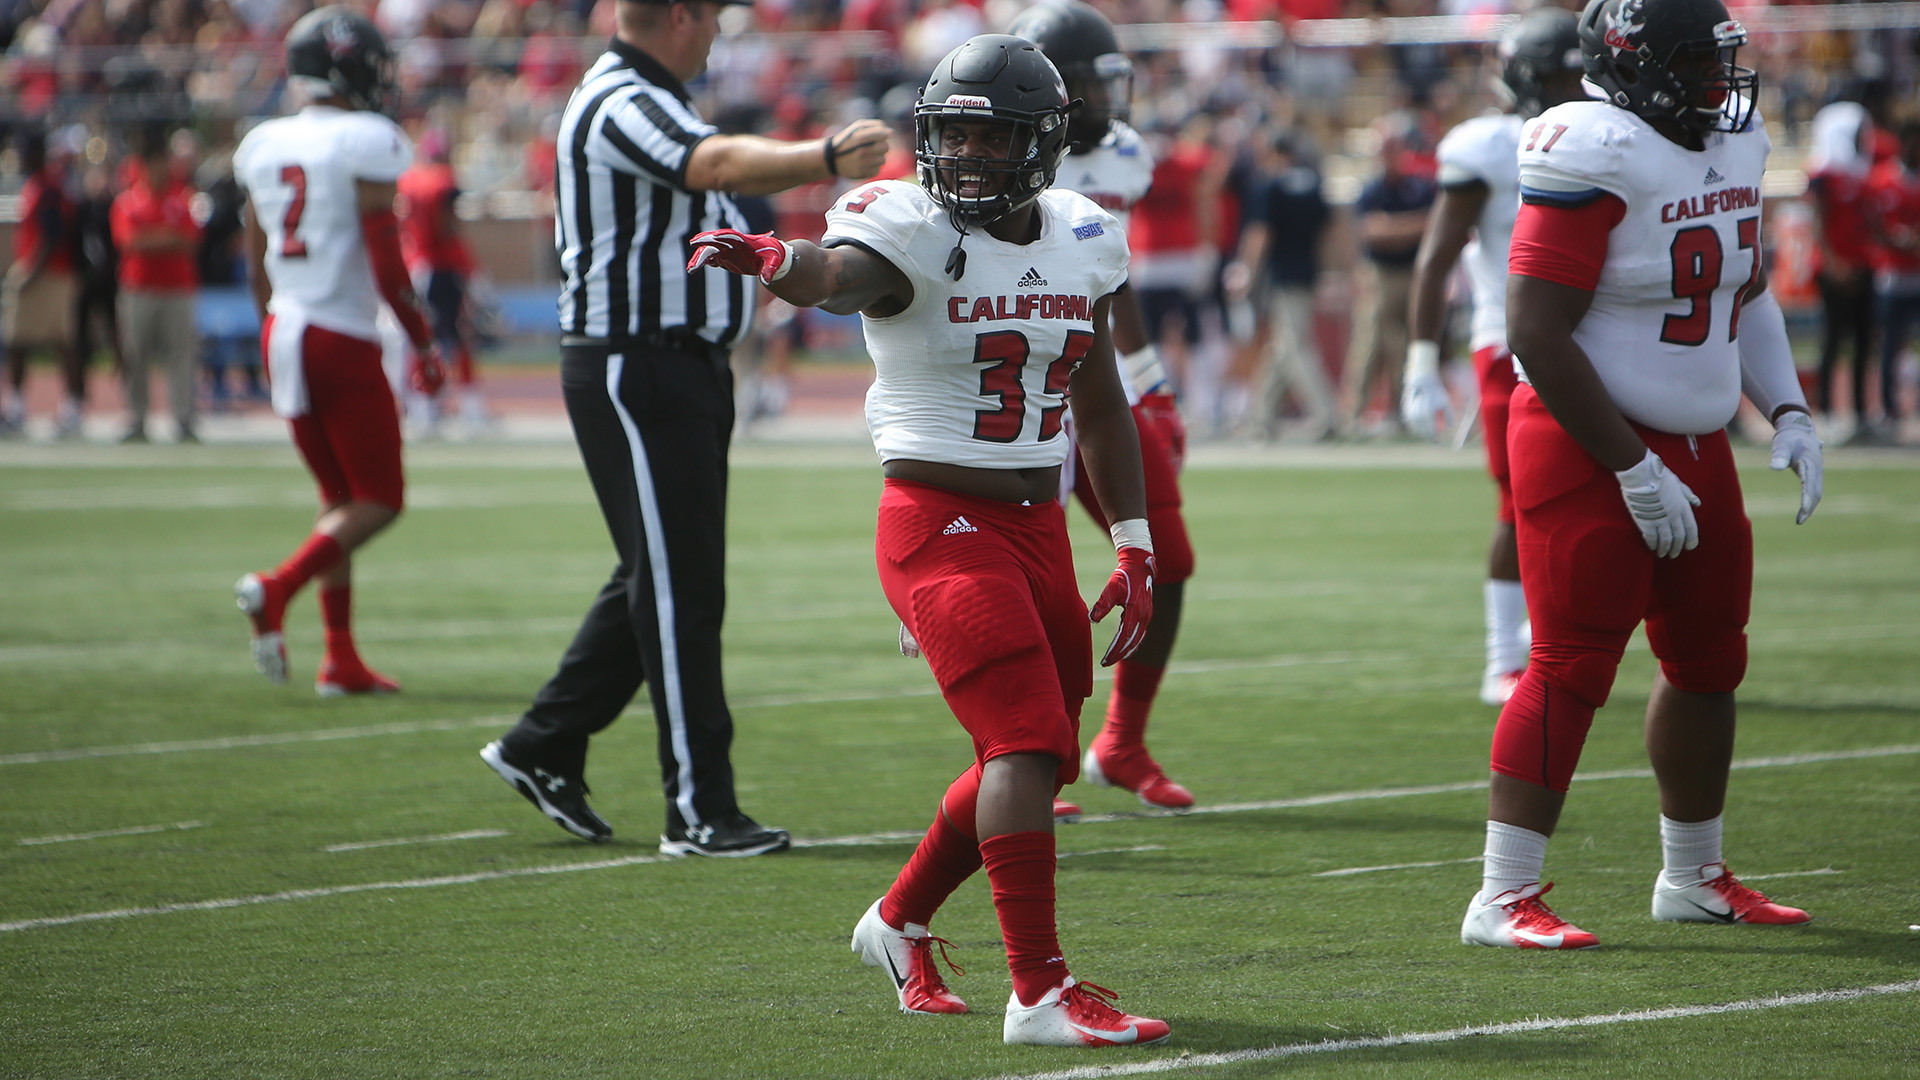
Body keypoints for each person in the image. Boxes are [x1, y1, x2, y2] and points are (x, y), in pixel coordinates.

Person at [689, 34, 1171, 1048]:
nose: (967, 159)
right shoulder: (902, 221)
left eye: (991, 141)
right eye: (951, 137)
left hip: (1041, 523)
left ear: (1042, 146)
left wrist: (1130, 538)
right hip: (938, 523)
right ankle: (1039, 990)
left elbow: (1102, 393)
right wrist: (782, 263)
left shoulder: (1084, 232)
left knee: (1035, 758)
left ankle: (898, 922)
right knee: (1028, 742)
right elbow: (842, 273)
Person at [478, 0, 890, 856]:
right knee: (679, 587)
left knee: (662, 572)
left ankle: (544, 741)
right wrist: (821, 156)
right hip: (639, 362)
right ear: (677, 15)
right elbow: (711, 165)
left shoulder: (653, 94)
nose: (714, 37)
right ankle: (700, 809)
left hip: (678, 363)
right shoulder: (621, 97)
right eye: (708, 18)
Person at [1461, 0, 1821, 950]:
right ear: (1634, 66)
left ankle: (1694, 874)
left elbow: (1743, 293)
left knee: (1710, 660)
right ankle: (1502, 895)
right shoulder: (1591, 146)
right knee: (1572, 665)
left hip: (1696, 436)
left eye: (1721, 60)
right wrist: (1630, 466)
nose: (1719, 81)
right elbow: (1535, 330)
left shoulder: (1734, 147)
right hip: (1588, 436)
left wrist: (1787, 409)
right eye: (1697, 63)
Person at [1009, 0, 1196, 817]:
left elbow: (1117, 281)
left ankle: (1120, 742)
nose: (1109, 95)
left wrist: (1152, 379)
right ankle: (1022, 750)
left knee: (1169, 555)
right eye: (1092, 79)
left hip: (1098, 385)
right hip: (1020, 390)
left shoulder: (1123, 155)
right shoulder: (1007, 155)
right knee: (1031, 573)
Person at [231, 7, 442, 696]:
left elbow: (256, 252)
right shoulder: (366, 137)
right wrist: (421, 339)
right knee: (379, 499)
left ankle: (340, 659)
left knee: (338, 500)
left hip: (283, 325)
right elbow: (385, 255)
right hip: (339, 332)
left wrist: (270, 315)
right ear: (347, 65)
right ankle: (278, 586)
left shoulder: (265, 142)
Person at [1402, 7, 1587, 707]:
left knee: (1587, 500)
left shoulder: (1612, 138)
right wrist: (1424, 357)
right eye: (1569, 73)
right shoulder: (1487, 144)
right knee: (1521, 503)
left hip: (1590, 340)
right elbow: (1438, 254)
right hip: (1507, 341)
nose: (1583, 85)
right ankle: (1505, 656)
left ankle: (1560, 641)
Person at [1226, 130, 1335, 441]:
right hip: (1308, 272)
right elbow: (1330, 230)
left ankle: (1328, 414)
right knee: (1281, 346)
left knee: (1295, 347)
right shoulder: (1313, 184)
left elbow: (1260, 233)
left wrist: (1245, 270)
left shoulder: (1268, 185)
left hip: (1281, 275)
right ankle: (1260, 418)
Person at [1345, 114, 1436, 436]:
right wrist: (1413, 225)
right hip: (1381, 273)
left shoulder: (1421, 186)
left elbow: (1434, 224)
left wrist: (1396, 227)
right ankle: (1355, 414)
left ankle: (1404, 415)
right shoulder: (1371, 190)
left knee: (1406, 345)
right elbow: (1373, 232)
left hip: (1413, 273)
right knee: (1369, 344)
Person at [112, 127, 203, 444]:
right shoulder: (128, 201)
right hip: (139, 289)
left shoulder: (184, 198)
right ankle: (137, 419)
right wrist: (167, 237)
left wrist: (153, 239)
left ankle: (183, 418)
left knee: (182, 355)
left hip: (178, 288)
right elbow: (129, 242)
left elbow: (189, 240)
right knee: (136, 355)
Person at [397, 128, 487, 429]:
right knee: (457, 335)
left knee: (421, 338)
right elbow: (447, 225)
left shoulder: (407, 179)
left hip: (414, 265)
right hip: (441, 266)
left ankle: (423, 405)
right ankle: (468, 407)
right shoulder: (441, 180)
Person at [2, 128, 82, 439]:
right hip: (49, 272)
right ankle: (26, 406)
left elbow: (51, 234)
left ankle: (64, 408)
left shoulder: (48, 187)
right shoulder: (40, 184)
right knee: (43, 342)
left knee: (39, 341)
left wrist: (31, 273)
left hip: (50, 274)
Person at [1802, 101, 1876, 431]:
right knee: (1832, 340)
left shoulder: (1862, 174)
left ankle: (1861, 413)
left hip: (1861, 266)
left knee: (1863, 340)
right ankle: (1828, 411)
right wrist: (1834, 263)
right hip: (1834, 270)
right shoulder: (1822, 175)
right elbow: (1818, 221)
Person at [1864, 120, 1920, 443]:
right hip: (1893, 274)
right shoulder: (1883, 178)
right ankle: (1888, 407)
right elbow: (1872, 223)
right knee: (1889, 344)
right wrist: (1896, 240)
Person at [73, 159, 125, 439]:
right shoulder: (81, 208)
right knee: (80, 340)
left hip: (110, 281)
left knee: (119, 336)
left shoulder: (112, 207)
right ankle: (78, 399)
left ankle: (125, 394)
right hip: (86, 281)